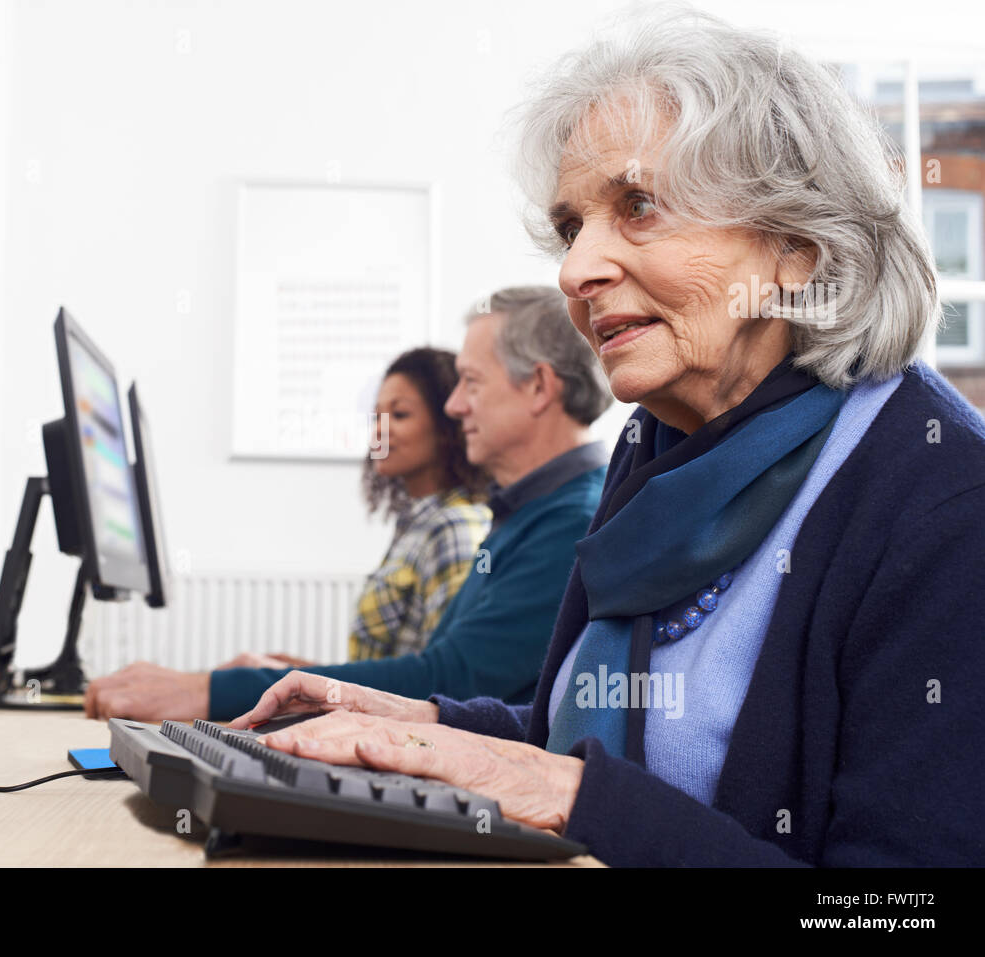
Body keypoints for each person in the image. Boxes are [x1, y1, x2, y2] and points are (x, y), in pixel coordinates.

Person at [232, 7, 985, 867]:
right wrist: (432, 725)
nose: (573, 270)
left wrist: (572, 799)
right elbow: (598, 731)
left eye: (637, 206)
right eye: (569, 227)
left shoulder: (942, 501)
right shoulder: (660, 446)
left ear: (795, 251)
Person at [84, 287, 614, 722]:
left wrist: (209, 692)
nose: (455, 405)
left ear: (539, 387)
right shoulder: (529, 509)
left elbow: (446, 680)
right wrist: (295, 681)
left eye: (470, 383)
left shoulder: (571, 520)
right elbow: (442, 672)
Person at [217, 346, 491, 670]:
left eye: (399, 415)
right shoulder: (416, 523)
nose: (379, 430)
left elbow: (437, 680)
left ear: (448, 427)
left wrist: (302, 679)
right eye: (376, 416)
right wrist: (297, 672)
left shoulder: (454, 527)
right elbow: (393, 674)